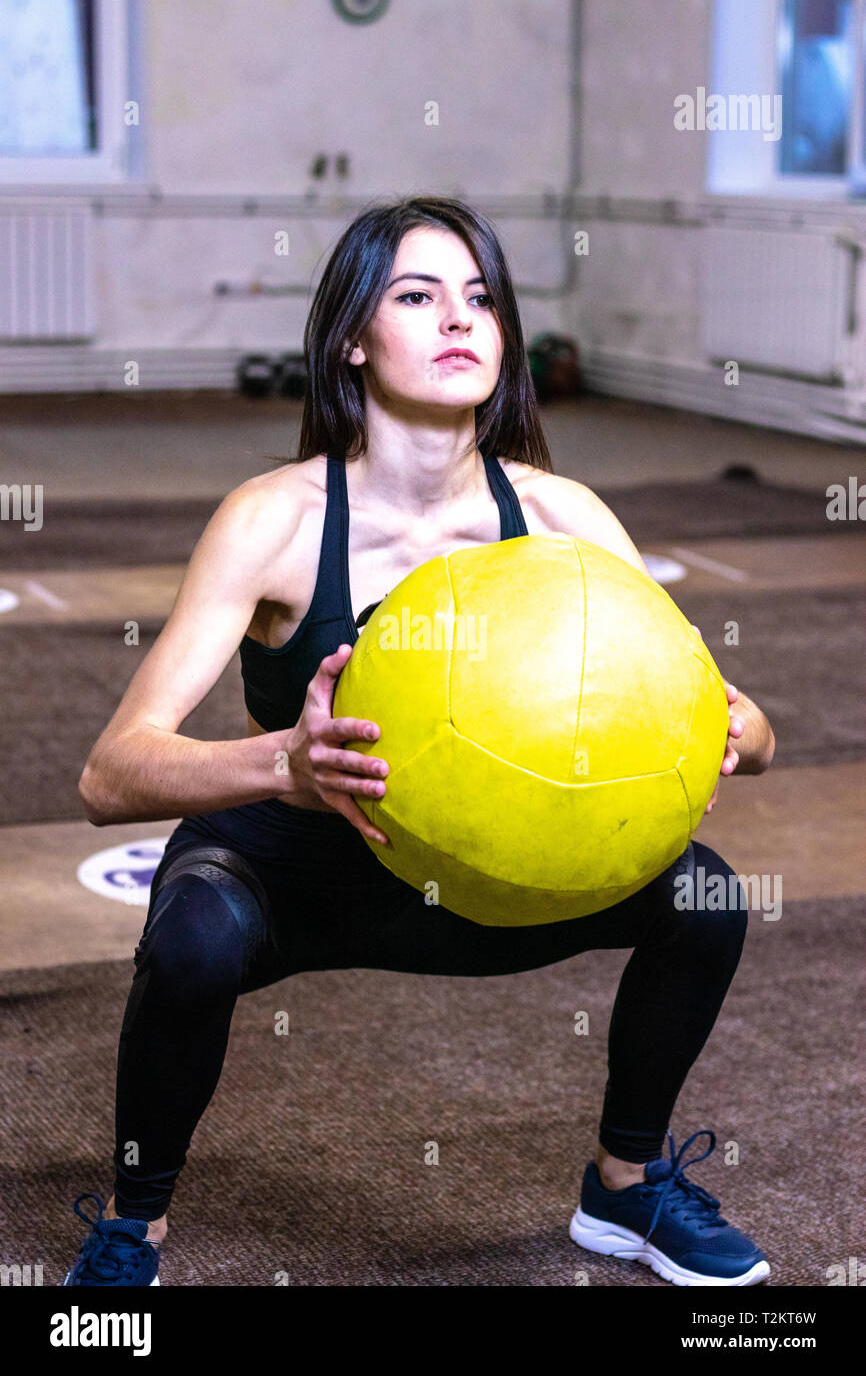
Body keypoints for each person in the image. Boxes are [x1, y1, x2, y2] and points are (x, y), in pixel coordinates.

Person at [64, 196, 775, 1288]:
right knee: (196, 937)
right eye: (416, 295)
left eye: (480, 297)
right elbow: (111, 773)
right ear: (353, 337)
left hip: (499, 872)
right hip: (307, 868)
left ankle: (622, 1188)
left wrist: (740, 731)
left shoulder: (562, 519)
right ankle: (131, 1224)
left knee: (708, 896)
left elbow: (732, 717)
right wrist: (285, 769)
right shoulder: (277, 520)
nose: (459, 318)